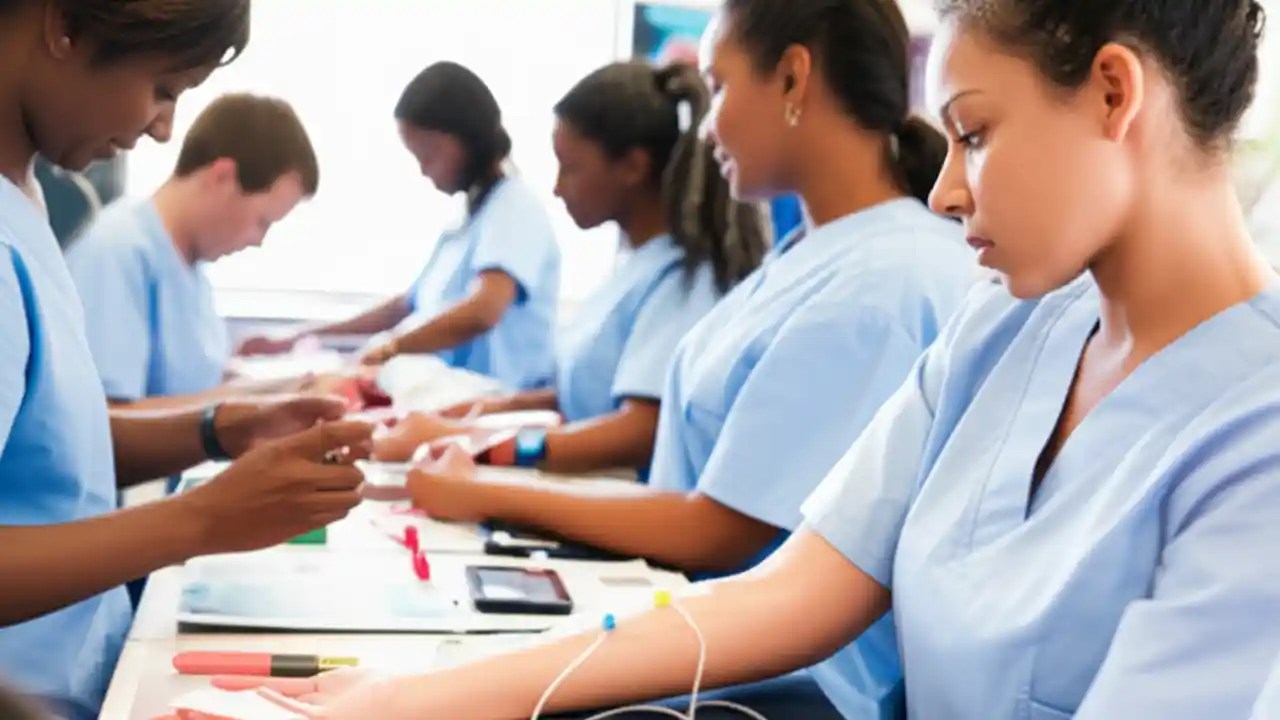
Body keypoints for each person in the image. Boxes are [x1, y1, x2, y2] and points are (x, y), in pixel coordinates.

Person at [235, 0, 1280, 718]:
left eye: (973, 134)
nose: (945, 191)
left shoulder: (1255, 438)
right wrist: (418, 695)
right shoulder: (1002, 332)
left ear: (1112, 94)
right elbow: (787, 593)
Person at [405, 0, 973, 716]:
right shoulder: (816, 252)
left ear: (793, 78)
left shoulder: (882, 283)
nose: (705, 128)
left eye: (721, 86)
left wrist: (488, 488)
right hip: (708, 627)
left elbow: (720, 530)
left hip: (796, 686)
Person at [0, 2, 373, 717]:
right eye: (164, 89)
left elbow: (54, 449)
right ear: (63, 25)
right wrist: (202, 519)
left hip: (87, 668)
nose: (164, 129)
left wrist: (221, 428)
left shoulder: (27, 202)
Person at [391, 61, 768, 477]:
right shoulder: (635, 269)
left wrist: (481, 445)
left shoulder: (683, 277)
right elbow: (586, 400)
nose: (556, 188)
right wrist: (479, 413)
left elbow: (640, 430)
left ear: (632, 167)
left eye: (570, 167)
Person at [238, 62, 561, 391]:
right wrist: (295, 338)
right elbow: (403, 308)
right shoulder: (465, 224)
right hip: (442, 393)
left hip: (494, 399)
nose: (424, 170)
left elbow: (484, 310)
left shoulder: (515, 208)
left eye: (429, 155)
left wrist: (390, 348)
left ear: (468, 138)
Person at [66, 93, 322, 410]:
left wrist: (295, 386)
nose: (258, 240)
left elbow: (199, 384)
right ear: (223, 177)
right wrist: (257, 399)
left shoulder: (190, 263)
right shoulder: (117, 253)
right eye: (262, 221)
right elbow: (110, 417)